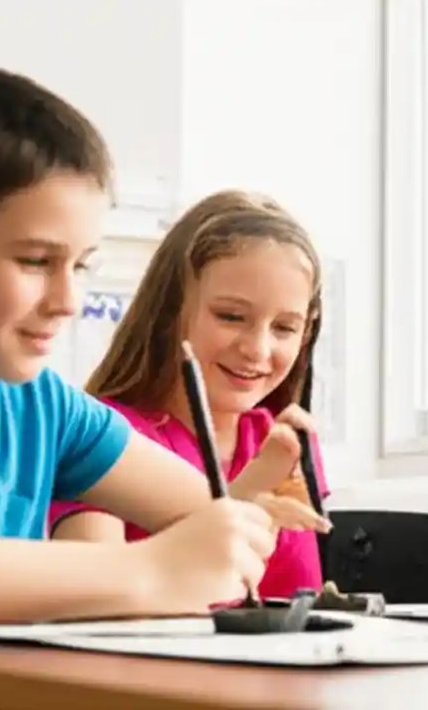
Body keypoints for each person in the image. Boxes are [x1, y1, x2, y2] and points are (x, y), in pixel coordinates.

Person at [0, 66, 319, 633]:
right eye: (34, 261)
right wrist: (146, 569)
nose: (69, 300)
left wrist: (248, 503)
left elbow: (207, 509)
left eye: (80, 265)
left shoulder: (47, 407)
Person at [49, 190, 331, 600]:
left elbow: (299, 605)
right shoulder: (104, 437)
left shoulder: (281, 443)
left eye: (285, 328)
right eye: (230, 317)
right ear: (170, 312)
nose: (258, 348)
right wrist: (247, 500)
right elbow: (94, 607)